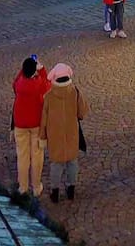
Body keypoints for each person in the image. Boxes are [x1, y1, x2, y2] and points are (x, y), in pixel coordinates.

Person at [40, 62, 89, 203]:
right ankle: (71, 189)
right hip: (72, 133)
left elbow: (44, 118)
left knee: (56, 164)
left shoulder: (49, 96)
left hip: (55, 135)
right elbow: (82, 112)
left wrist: (42, 137)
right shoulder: (74, 92)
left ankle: (55, 192)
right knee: (72, 163)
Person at [12, 56, 51, 198]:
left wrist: (25, 69)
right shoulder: (38, 84)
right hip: (36, 124)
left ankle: (23, 187)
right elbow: (48, 84)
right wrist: (41, 70)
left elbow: (15, 82)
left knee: (22, 156)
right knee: (37, 156)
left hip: (20, 124)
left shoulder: (19, 84)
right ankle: (36, 186)